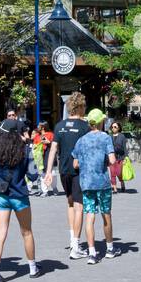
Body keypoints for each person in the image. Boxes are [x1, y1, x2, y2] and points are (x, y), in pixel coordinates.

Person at [0, 119, 39, 282]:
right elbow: (33, 175)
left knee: (0, 233)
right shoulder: (25, 150)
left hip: (0, 196)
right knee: (26, 232)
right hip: (19, 195)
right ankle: (33, 267)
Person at [45, 93, 90, 261]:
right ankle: (76, 246)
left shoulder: (59, 126)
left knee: (70, 204)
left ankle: (73, 240)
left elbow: (53, 149)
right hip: (79, 171)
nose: (84, 109)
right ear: (79, 107)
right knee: (79, 207)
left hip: (64, 170)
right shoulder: (85, 127)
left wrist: (49, 171)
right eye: (84, 106)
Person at [72, 108, 117, 263]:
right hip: (102, 182)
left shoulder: (81, 140)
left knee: (89, 216)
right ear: (100, 122)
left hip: (86, 182)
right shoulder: (105, 137)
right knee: (106, 214)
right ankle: (110, 248)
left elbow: (75, 164)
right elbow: (111, 160)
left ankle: (92, 252)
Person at [32, 121, 53, 196]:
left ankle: (45, 191)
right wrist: (34, 146)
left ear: (43, 127)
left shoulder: (50, 134)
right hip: (38, 157)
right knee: (39, 174)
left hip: (46, 155)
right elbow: (34, 145)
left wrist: (46, 141)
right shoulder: (37, 136)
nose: (37, 127)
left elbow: (52, 144)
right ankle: (41, 190)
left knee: (45, 173)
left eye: (39, 126)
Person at [110, 121, 129, 193]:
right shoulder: (110, 136)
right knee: (112, 173)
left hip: (120, 157)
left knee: (119, 173)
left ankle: (122, 183)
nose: (113, 128)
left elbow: (125, 148)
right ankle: (114, 188)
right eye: (112, 127)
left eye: (115, 127)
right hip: (112, 157)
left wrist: (126, 158)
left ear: (118, 128)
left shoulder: (122, 136)